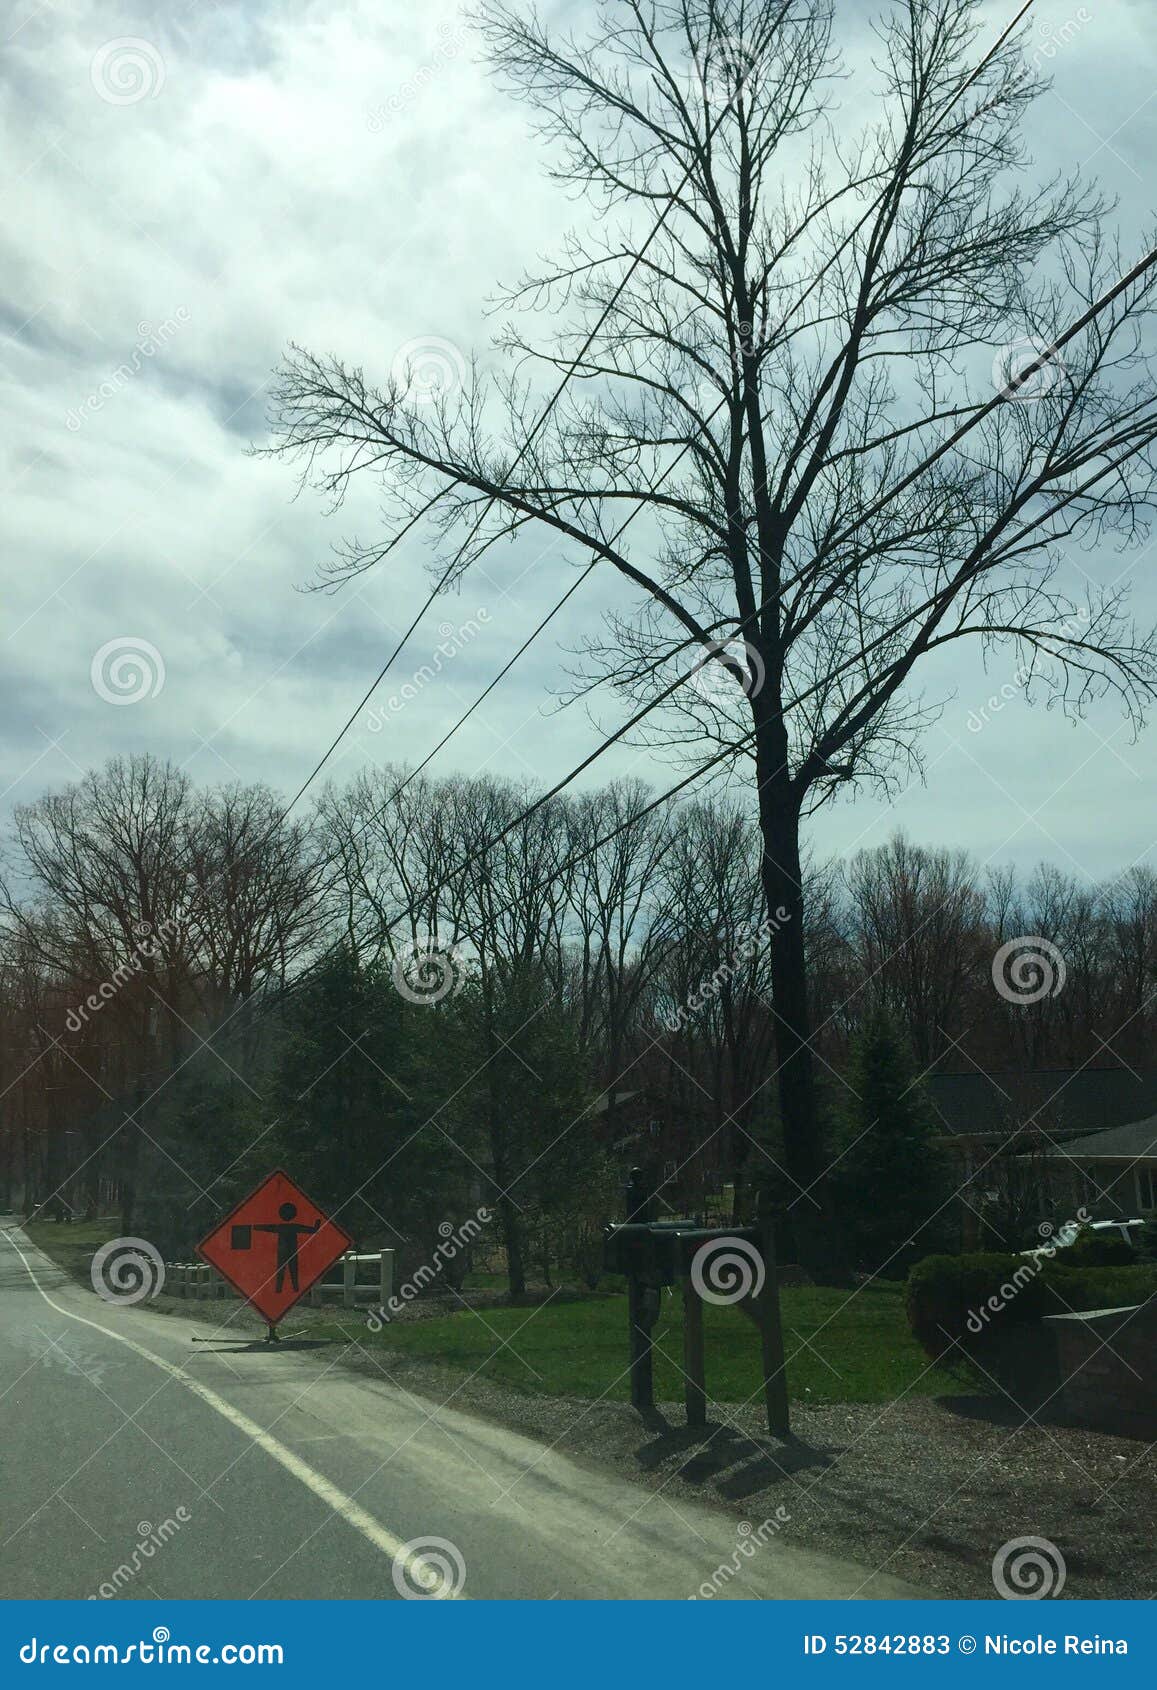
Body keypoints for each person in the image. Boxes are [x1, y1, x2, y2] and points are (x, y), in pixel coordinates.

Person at [253, 1202, 320, 1293]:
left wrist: (255, 1226)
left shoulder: (282, 1227)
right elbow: (313, 1230)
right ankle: (291, 1288)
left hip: (285, 1251)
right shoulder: (293, 1227)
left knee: (284, 1270)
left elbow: (267, 1227)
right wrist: (318, 1221)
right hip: (289, 1251)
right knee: (291, 1270)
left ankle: (281, 1289)